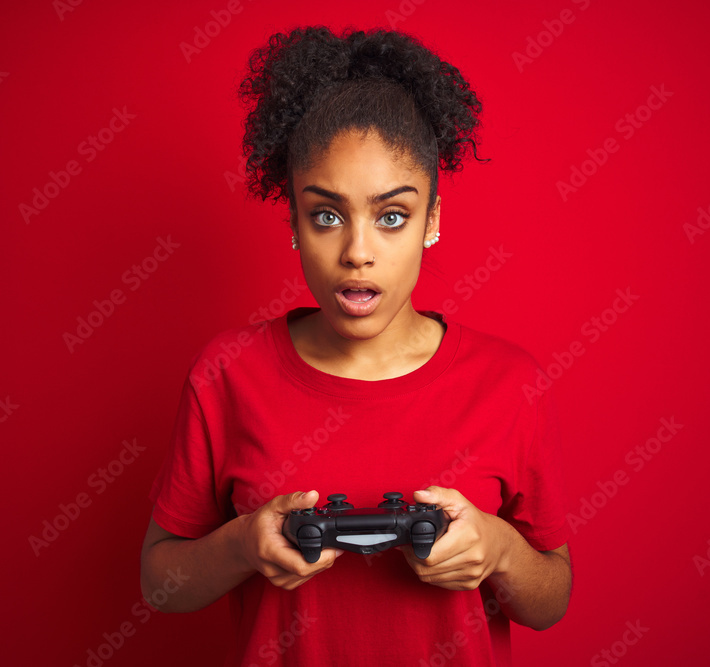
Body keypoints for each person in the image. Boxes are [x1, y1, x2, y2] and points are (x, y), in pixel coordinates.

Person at [141, 25, 574, 666]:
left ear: (432, 221)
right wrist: (240, 547)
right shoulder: (227, 374)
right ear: (292, 220)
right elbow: (159, 585)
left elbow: (552, 602)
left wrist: (501, 552)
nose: (358, 253)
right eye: (326, 215)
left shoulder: (509, 383)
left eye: (392, 216)